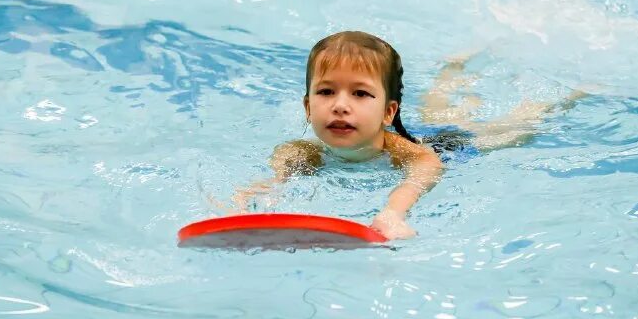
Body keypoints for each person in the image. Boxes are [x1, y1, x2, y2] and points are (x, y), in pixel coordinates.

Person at [230, 31, 577, 240]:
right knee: (438, 110)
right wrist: (257, 194)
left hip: (451, 147)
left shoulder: (406, 154)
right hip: (424, 133)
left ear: (388, 112)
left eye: (360, 94)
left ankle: (574, 89)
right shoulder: (298, 152)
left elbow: (424, 172)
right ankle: (454, 66)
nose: (340, 106)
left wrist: (393, 213)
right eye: (325, 92)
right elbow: (275, 178)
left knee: (518, 126)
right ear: (307, 107)